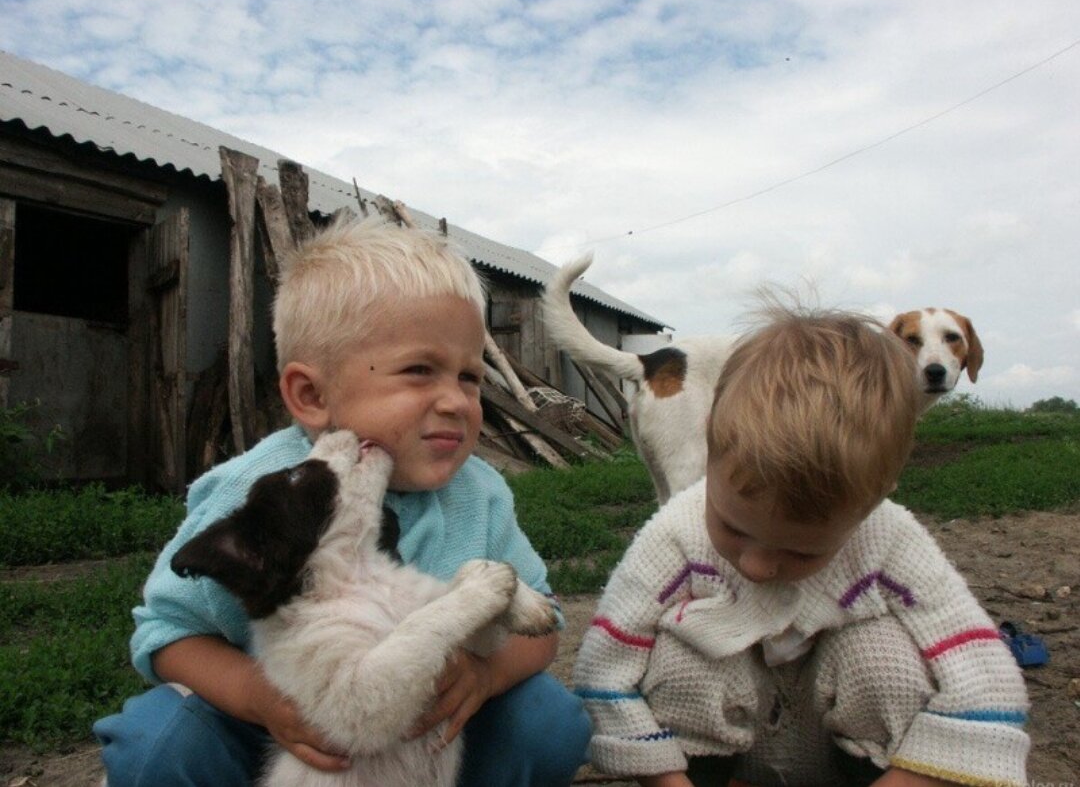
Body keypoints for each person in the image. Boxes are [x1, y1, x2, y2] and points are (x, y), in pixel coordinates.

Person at [94, 217, 591, 787]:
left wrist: (484, 675)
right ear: (311, 395)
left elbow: (543, 621)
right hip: (274, 729)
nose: (456, 400)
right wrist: (260, 698)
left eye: (471, 377)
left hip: (426, 727)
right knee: (157, 749)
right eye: (419, 371)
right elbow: (167, 633)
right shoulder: (256, 495)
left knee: (548, 724)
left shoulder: (478, 494)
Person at [572, 299, 1029, 787]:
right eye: (732, 528)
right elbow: (603, 668)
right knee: (681, 658)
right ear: (710, 451)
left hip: (844, 755)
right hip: (714, 757)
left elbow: (990, 685)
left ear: (875, 499)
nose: (758, 566)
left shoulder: (888, 538)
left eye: (801, 551)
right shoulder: (677, 530)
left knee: (885, 657)